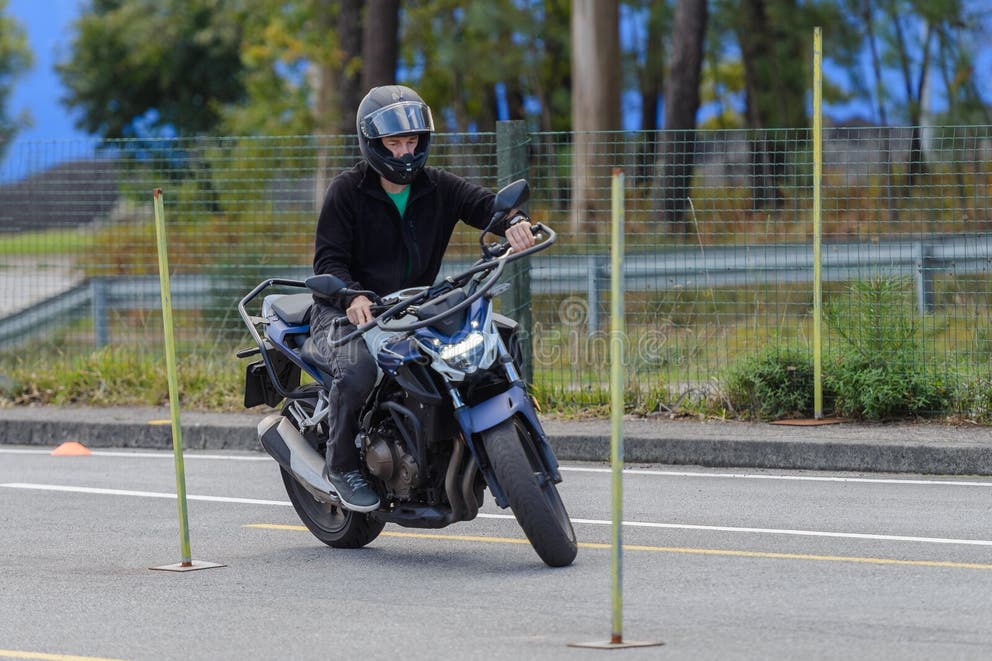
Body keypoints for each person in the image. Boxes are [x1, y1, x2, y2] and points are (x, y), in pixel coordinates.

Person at [309, 84, 536, 512]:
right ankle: (341, 465)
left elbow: (483, 204)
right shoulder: (347, 192)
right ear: (373, 144)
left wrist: (513, 222)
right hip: (346, 311)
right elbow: (328, 262)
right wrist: (352, 296)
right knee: (358, 370)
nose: (403, 152)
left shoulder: (437, 186)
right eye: (393, 143)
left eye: (411, 141)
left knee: (501, 335)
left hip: (413, 304)